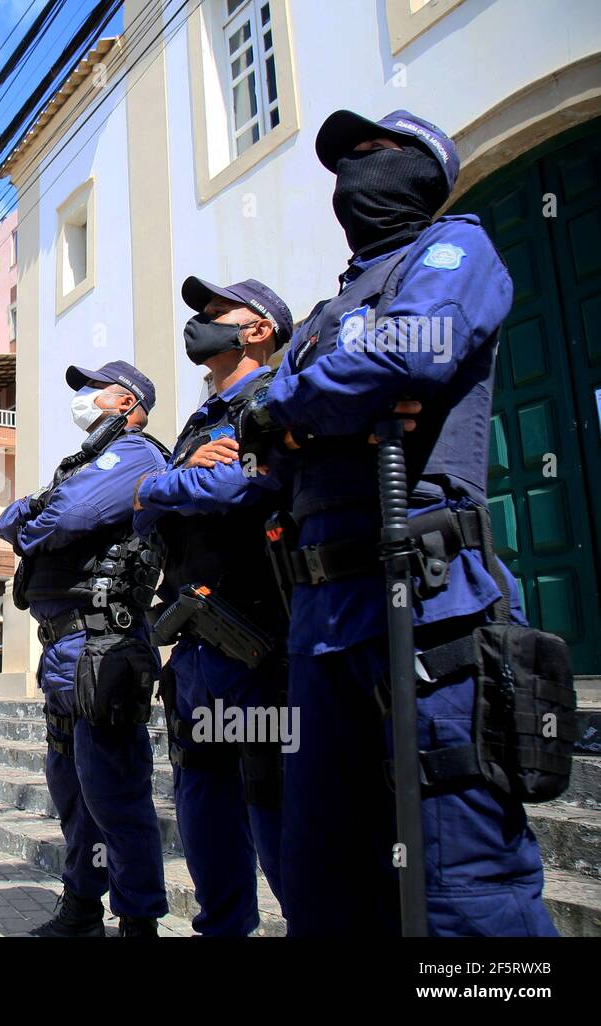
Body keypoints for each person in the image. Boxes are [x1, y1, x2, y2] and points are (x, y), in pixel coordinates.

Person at [235, 109, 556, 936]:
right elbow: (263, 444)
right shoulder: (322, 314)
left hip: (428, 602)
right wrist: (308, 405)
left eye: (376, 153)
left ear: (424, 169)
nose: (356, 171)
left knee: (462, 888)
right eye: (346, 160)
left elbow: (414, 354)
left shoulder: (455, 250)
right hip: (320, 626)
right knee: (325, 878)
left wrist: (297, 403)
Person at [131, 276, 293, 936]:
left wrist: (168, 485)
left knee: (274, 806)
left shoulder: (277, 396)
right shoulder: (199, 424)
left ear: (256, 330)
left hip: (258, 647)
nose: (200, 322)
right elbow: (143, 513)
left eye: (216, 313)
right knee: (202, 807)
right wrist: (173, 479)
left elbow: (237, 488)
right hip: (195, 653)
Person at [0, 360, 170, 938]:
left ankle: (138, 921)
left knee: (114, 793)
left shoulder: (137, 455)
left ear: (126, 402)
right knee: (72, 792)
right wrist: (33, 518)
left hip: (105, 641)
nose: (85, 398)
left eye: (96, 390)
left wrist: (32, 522)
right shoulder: (85, 465)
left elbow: (65, 515)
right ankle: (81, 910)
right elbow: (9, 518)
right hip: (64, 649)